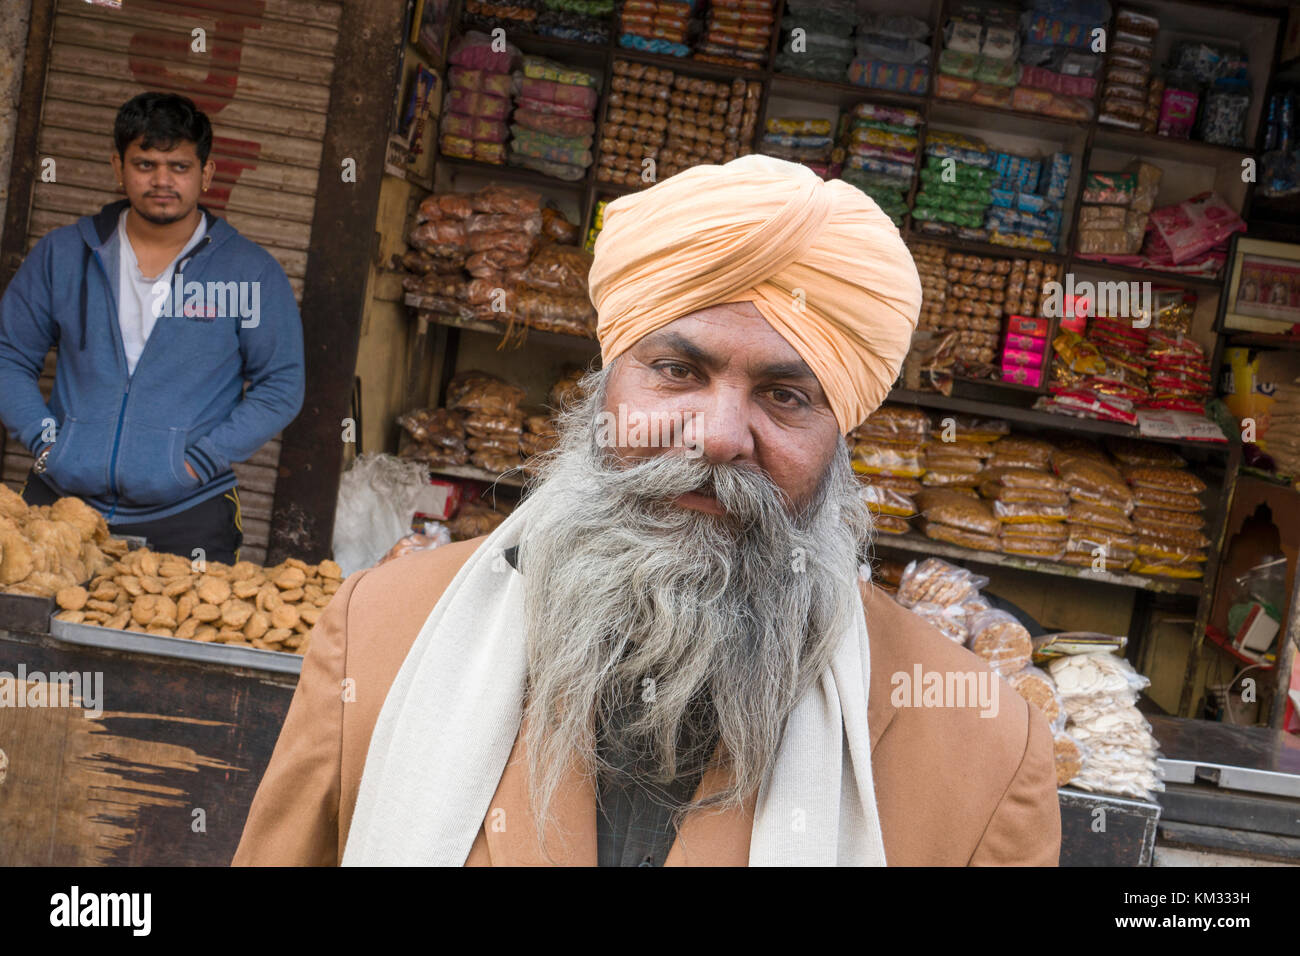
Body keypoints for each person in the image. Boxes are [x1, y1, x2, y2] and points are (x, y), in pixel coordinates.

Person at [234, 156, 1060, 867]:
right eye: (676, 370)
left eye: (785, 395)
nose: (718, 436)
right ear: (600, 390)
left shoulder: (982, 755)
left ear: (842, 436)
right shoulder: (381, 635)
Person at [0, 92, 304, 564]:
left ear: (207, 174)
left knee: (167, 634)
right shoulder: (63, 255)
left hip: (188, 512)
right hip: (60, 504)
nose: (162, 181)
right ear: (117, 168)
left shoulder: (249, 272)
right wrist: (46, 442)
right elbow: (8, 355)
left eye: (179, 167)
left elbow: (281, 383)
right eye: (145, 164)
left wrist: (197, 462)